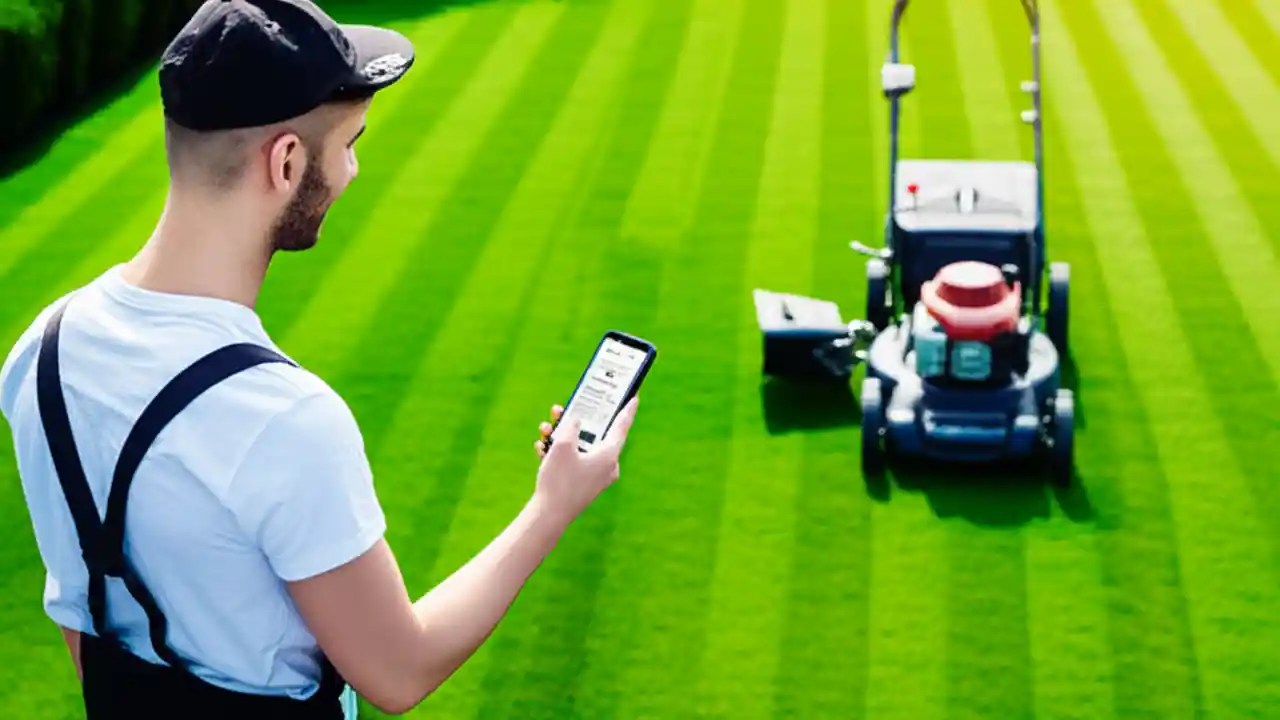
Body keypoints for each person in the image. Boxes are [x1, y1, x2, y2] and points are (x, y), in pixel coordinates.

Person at [0, 0, 641, 717]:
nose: (354, 170)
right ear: (285, 161)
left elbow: (80, 623)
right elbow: (399, 672)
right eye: (349, 144)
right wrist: (553, 505)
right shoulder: (285, 420)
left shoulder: (40, 351)